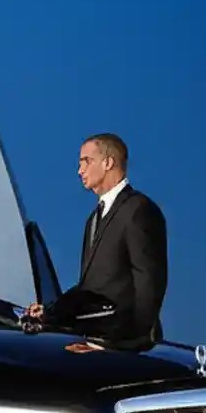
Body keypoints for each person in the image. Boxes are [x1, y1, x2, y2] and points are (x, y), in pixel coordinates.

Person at [26, 133, 168, 344]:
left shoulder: (139, 210)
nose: (80, 170)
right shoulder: (93, 219)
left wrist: (134, 340)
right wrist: (51, 311)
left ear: (108, 162)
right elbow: (91, 287)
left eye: (86, 161)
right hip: (94, 340)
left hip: (123, 346)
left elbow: (149, 282)